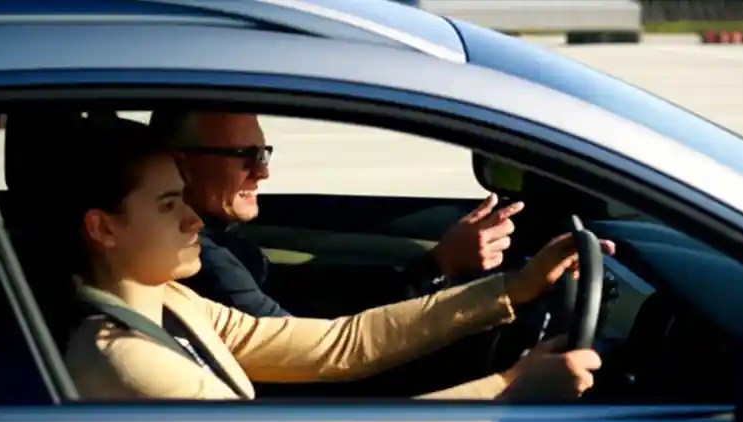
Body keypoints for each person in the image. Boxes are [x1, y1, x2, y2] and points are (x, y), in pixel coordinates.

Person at [60, 118, 606, 401]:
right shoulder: (129, 365)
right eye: (168, 204)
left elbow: (335, 346)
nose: (194, 219)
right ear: (102, 227)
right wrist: (509, 389)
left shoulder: (169, 301)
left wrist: (514, 287)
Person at [148, 110, 526, 317]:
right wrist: (444, 273)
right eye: (244, 156)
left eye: (263, 154)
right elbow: (303, 349)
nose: (262, 172)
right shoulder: (199, 258)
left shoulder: (220, 242)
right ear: (181, 165)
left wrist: (433, 265)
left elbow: (300, 289)